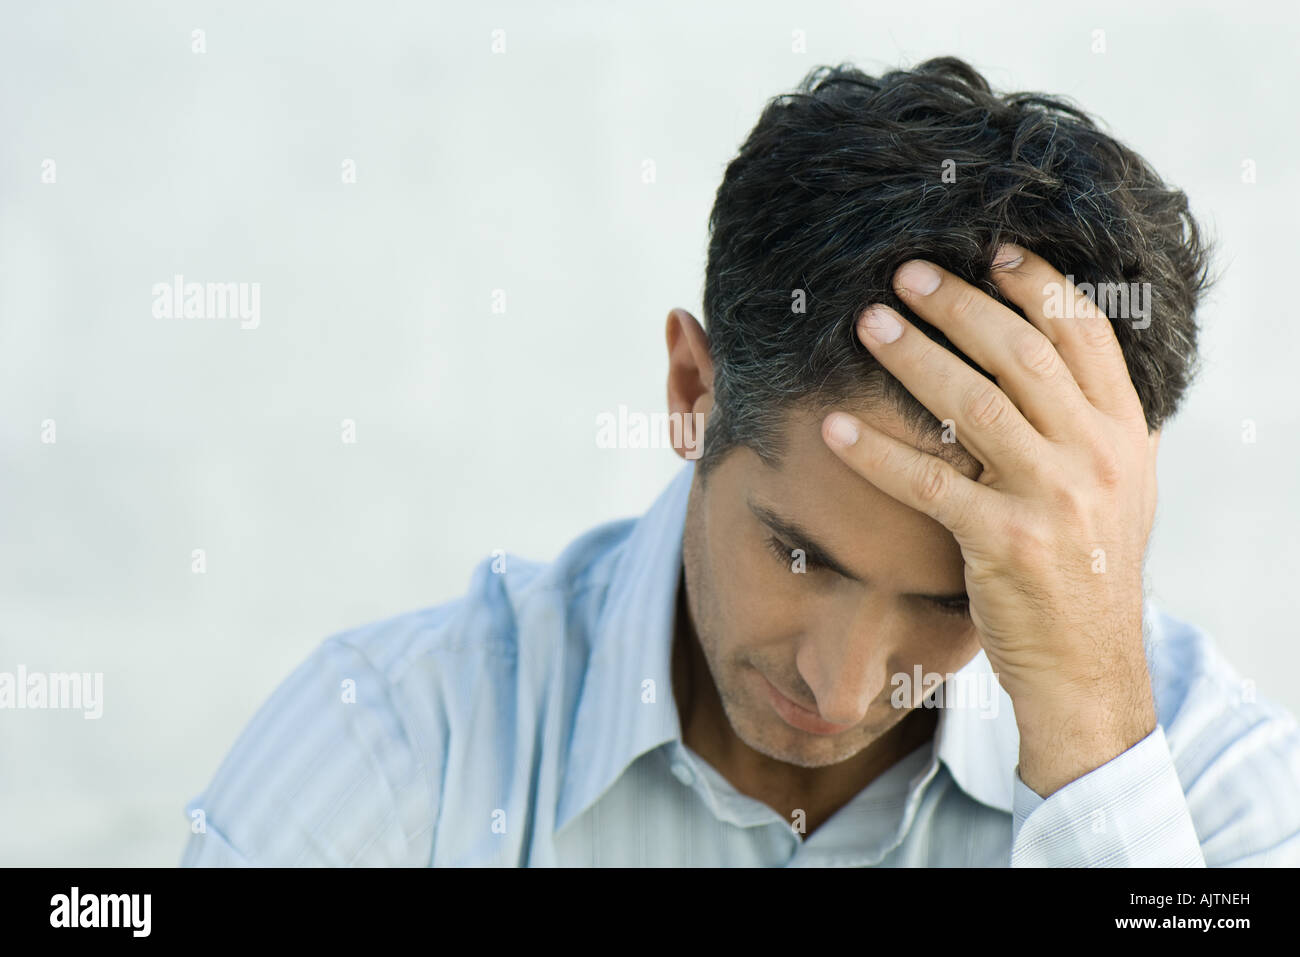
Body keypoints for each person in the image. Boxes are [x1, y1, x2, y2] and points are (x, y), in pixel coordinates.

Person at [182, 56, 1300, 866]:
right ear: (690, 393)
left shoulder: (1201, 793)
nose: (846, 685)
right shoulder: (393, 749)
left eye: (951, 601)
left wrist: (1095, 745)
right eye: (800, 554)